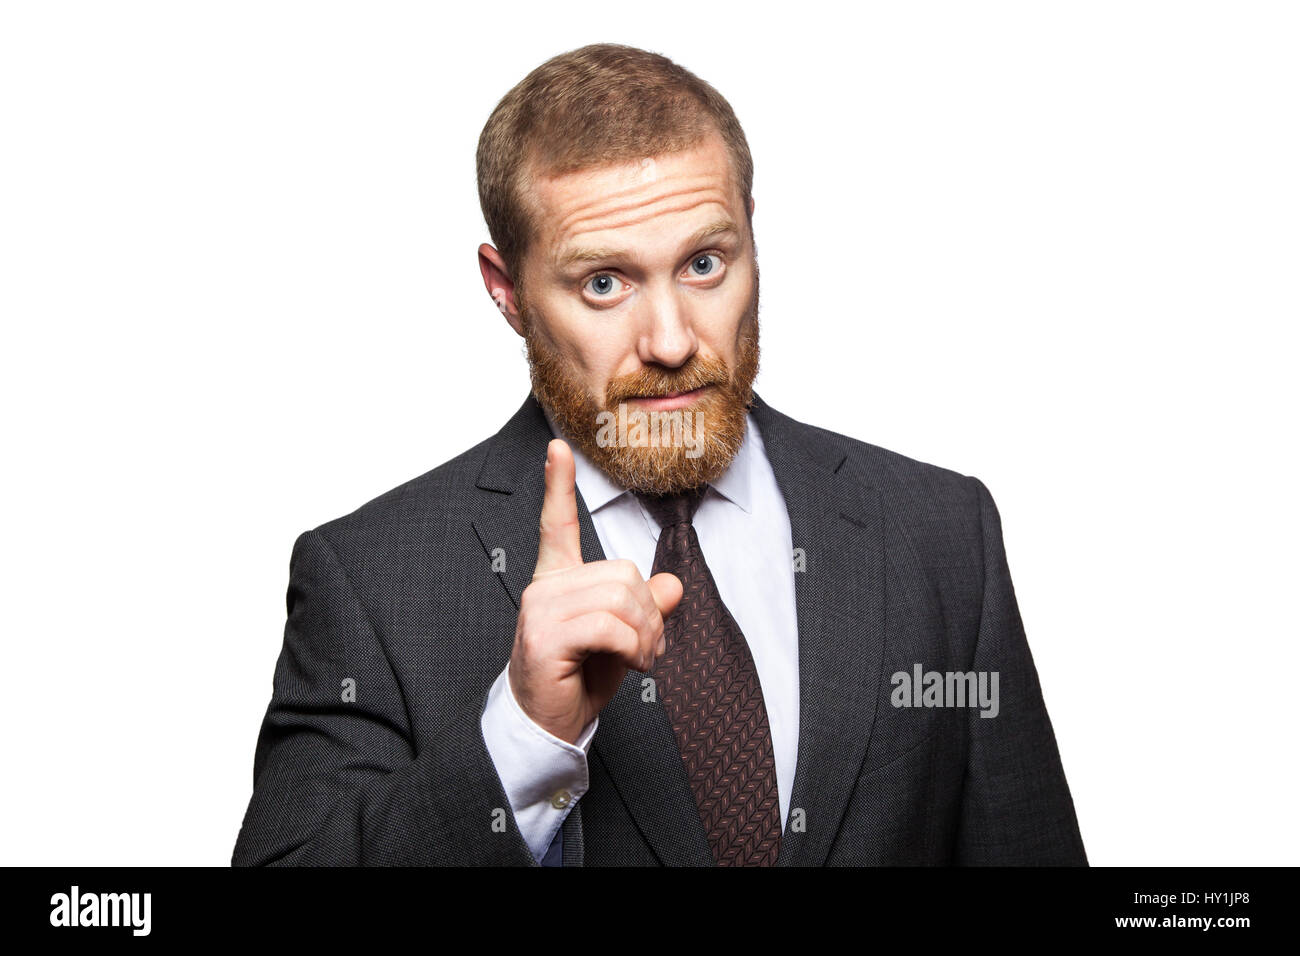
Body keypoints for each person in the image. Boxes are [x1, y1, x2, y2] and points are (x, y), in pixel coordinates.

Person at [232, 42, 1086, 867]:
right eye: (603, 282)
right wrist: (523, 737)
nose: (673, 341)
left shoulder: (943, 533)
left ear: (753, 235)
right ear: (507, 292)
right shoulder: (371, 579)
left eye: (705, 263)